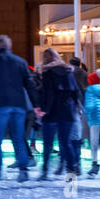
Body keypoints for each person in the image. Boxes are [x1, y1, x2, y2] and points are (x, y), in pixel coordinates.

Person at [0, 35, 39, 182]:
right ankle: (23, 171)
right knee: (19, 138)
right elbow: (30, 85)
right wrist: (37, 105)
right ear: (9, 47)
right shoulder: (21, 62)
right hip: (18, 106)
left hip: (0, 105)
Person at [36, 48, 82, 179]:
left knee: (48, 143)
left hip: (52, 112)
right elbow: (75, 91)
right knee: (66, 142)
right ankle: (71, 170)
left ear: (45, 59)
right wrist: (76, 107)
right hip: (67, 110)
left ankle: (45, 171)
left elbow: (48, 93)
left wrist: (45, 110)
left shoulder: (48, 72)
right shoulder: (69, 70)